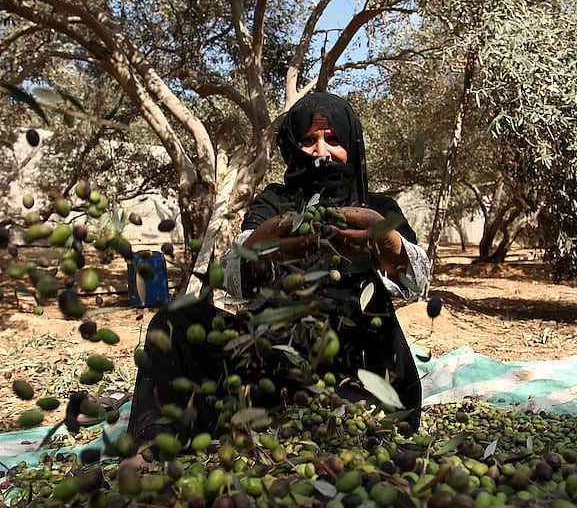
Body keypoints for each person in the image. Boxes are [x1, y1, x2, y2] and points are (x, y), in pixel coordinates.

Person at [126, 92, 432, 444]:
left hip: (353, 371)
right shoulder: (273, 202)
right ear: (292, 148)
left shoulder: (378, 207)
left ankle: (331, 416)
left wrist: (388, 243)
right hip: (268, 364)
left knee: (352, 413)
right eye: (308, 140)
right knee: (174, 322)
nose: (321, 152)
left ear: (352, 145)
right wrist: (257, 249)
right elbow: (233, 283)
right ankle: (152, 442)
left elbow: (417, 283)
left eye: (333, 140)